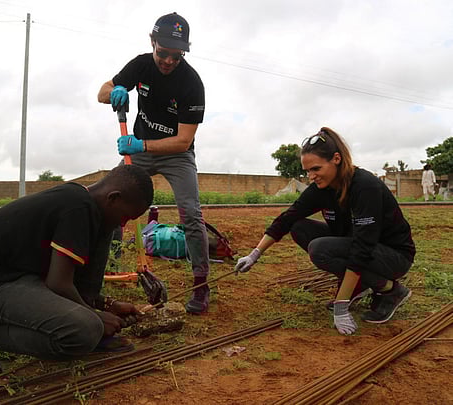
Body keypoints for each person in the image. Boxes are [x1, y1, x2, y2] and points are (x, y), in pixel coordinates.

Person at [0, 165, 154, 360]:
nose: (123, 224)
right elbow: (58, 283)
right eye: (126, 216)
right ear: (113, 197)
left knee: (106, 230)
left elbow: (67, 280)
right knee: (85, 330)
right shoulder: (77, 208)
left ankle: (92, 328)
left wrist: (107, 304)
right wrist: (97, 317)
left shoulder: (86, 204)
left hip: (16, 279)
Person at [235, 127, 415, 335]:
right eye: (307, 171)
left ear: (336, 159)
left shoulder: (365, 187)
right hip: (358, 247)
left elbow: (362, 248)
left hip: (393, 256)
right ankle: (359, 285)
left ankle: (391, 290)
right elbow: (288, 218)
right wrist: (255, 254)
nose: (311, 176)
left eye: (316, 169)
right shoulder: (321, 188)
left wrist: (340, 305)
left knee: (321, 249)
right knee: (299, 227)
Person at [97, 12, 210, 314]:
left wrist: (141, 144)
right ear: (152, 42)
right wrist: (115, 92)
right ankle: (111, 260)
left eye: (177, 55)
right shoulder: (140, 64)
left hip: (176, 154)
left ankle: (201, 284)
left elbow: (184, 140)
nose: (169, 61)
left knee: (191, 213)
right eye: (164, 52)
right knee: (111, 199)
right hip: (141, 151)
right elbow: (101, 91)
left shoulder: (192, 84)